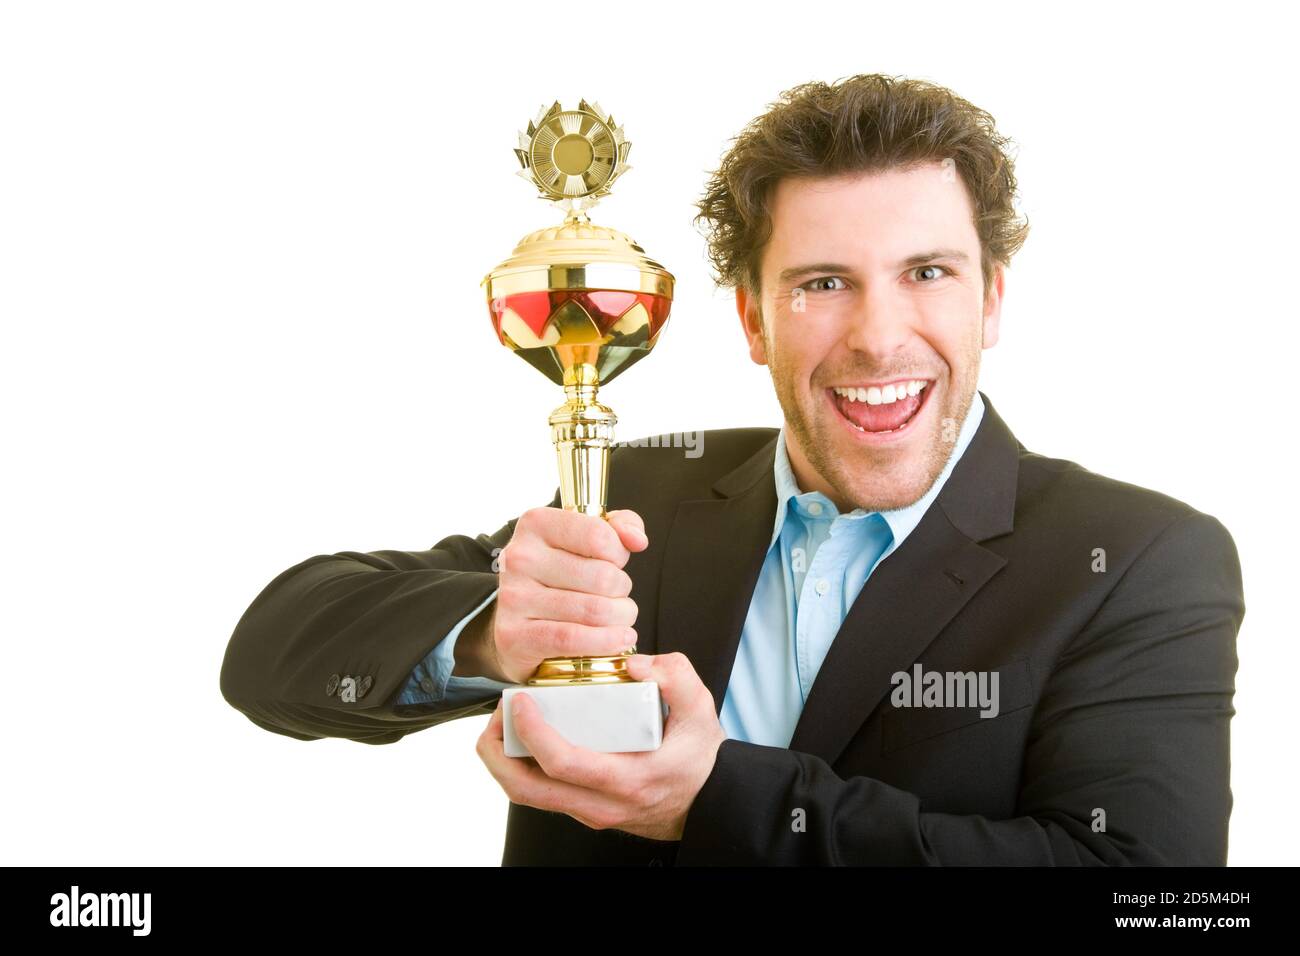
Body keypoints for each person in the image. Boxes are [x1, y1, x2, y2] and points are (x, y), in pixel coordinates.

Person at [220, 74, 1244, 865]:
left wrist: (710, 799)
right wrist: (492, 632)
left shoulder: (1139, 560)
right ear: (752, 318)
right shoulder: (640, 494)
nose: (878, 336)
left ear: (991, 299)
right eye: (822, 283)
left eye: (927, 272)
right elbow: (269, 656)